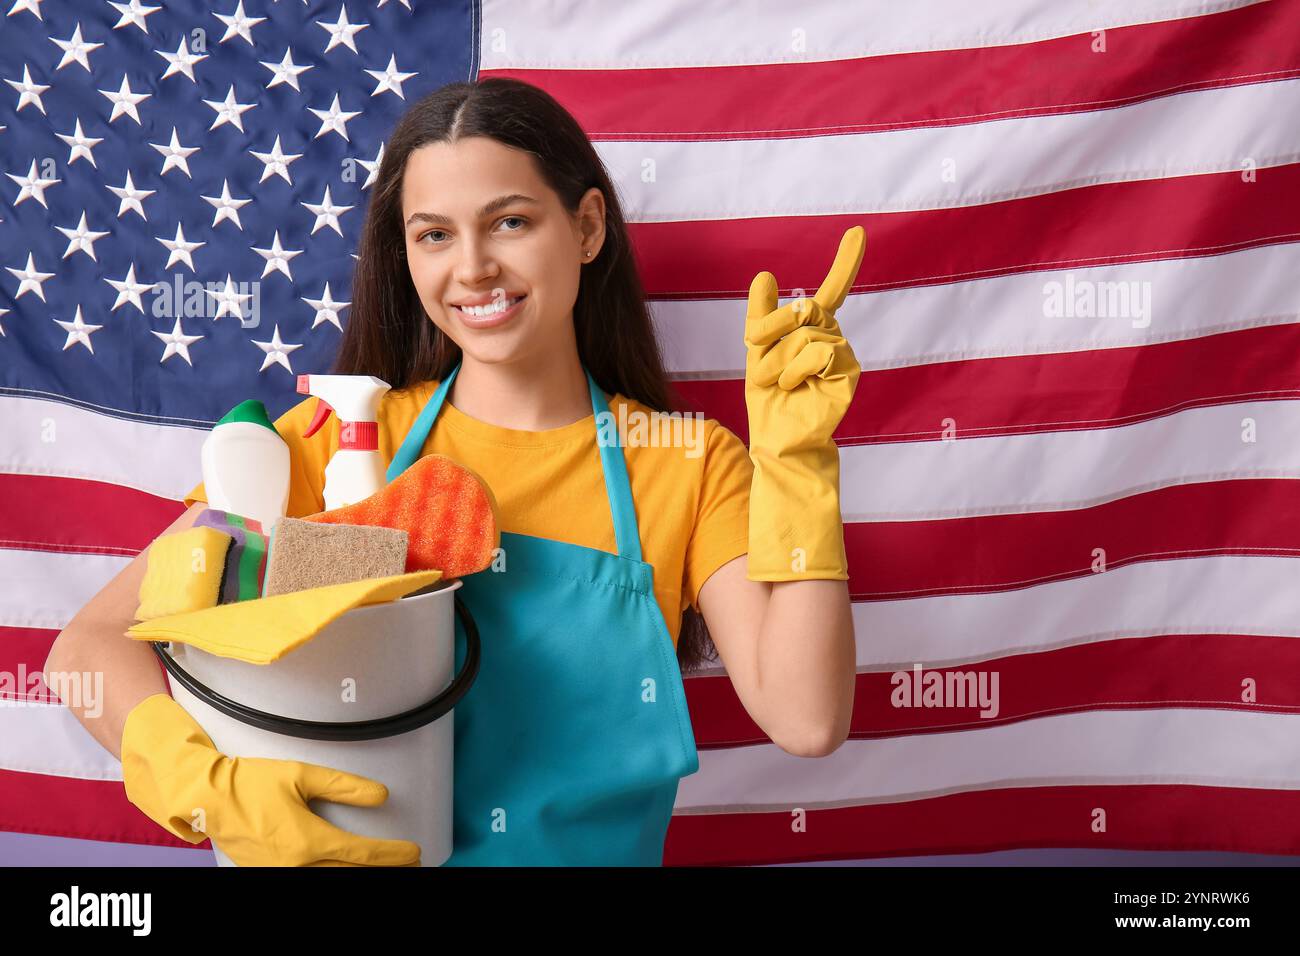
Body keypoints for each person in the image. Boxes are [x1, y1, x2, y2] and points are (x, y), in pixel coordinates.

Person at [44, 76, 860, 866]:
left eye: (509, 222)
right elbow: (83, 651)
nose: (472, 268)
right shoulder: (336, 440)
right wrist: (198, 780)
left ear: (586, 227)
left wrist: (797, 465)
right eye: (434, 234)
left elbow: (807, 718)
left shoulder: (686, 463)